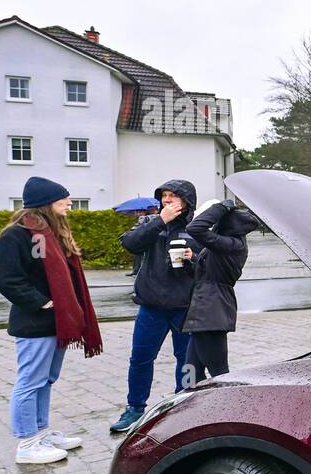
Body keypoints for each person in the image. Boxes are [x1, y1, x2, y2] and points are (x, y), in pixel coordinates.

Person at [0, 177, 103, 464]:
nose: (69, 203)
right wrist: (43, 302)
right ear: (45, 204)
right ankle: (27, 443)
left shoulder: (53, 232)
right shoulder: (17, 235)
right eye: (62, 199)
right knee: (30, 381)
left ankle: (41, 432)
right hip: (35, 323)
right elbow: (7, 279)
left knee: (46, 379)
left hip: (57, 323)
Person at [109, 179, 201, 433]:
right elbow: (129, 243)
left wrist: (194, 260)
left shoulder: (197, 228)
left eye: (174, 196)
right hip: (151, 306)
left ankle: (185, 406)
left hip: (185, 306)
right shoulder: (151, 224)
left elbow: (209, 265)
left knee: (187, 360)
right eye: (164, 196)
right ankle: (135, 409)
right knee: (140, 358)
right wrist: (161, 220)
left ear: (187, 200)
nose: (167, 200)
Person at [183, 198, 260, 383]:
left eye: (219, 220)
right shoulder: (226, 244)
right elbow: (210, 272)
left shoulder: (231, 244)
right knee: (191, 373)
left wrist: (222, 207)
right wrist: (191, 261)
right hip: (206, 311)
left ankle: (232, 408)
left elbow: (195, 228)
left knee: (220, 373)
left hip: (211, 312)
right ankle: (193, 408)